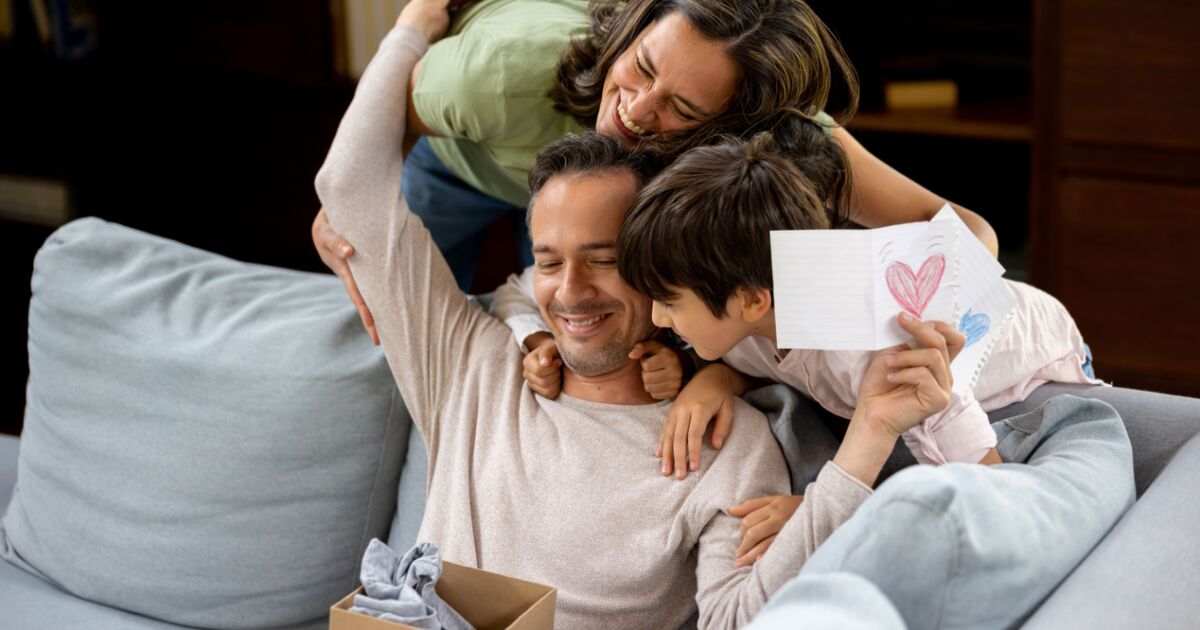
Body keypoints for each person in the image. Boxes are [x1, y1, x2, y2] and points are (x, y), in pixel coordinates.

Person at [313, 11, 966, 626]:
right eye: (546, 260)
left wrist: (870, 433)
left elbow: (739, 618)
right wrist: (411, 27)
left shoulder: (726, 444)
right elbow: (351, 188)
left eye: (603, 260)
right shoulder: (470, 358)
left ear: (667, 267)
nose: (569, 293)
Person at [312, 0, 999, 344]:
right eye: (641, 68)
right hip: (465, 161)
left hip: (605, 211)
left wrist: (920, 315)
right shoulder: (498, 75)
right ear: (636, 29)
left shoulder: (782, 136)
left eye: (682, 107)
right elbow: (385, 110)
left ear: (736, 125)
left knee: (587, 358)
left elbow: (963, 229)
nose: (635, 110)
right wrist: (344, 204)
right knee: (377, 327)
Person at [612, 125, 1100, 564]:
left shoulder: (883, 356)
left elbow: (986, 490)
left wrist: (823, 512)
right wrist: (717, 379)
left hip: (1043, 350)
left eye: (669, 302)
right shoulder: (745, 323)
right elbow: (767, 362)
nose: (656, 318)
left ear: (752, 301)